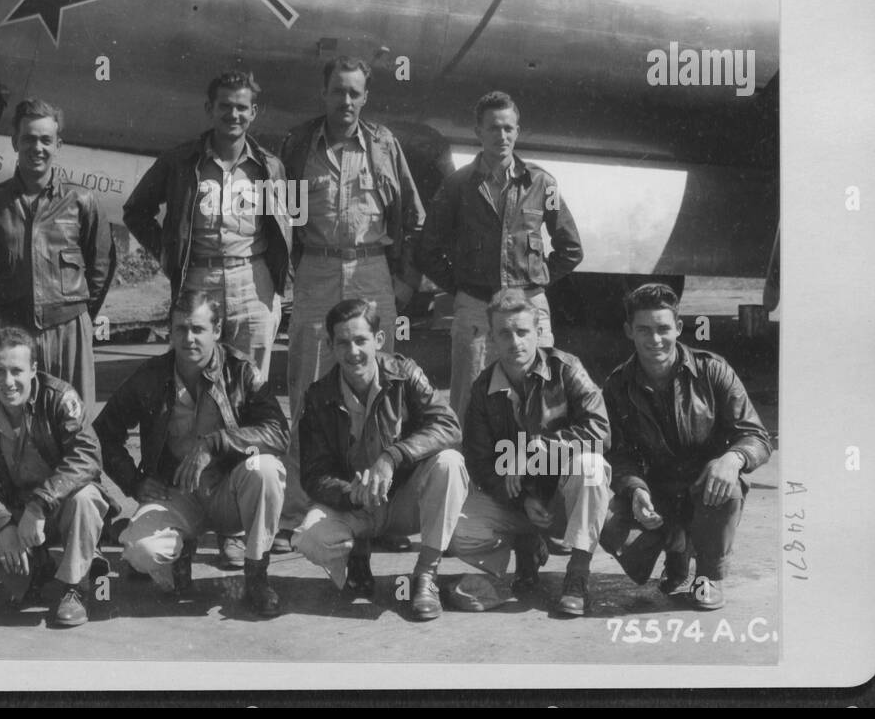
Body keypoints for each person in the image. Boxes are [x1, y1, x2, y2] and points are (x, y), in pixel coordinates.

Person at [121, 71, 292, 569]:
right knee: (195, 391)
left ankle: (237, 527)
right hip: (198, 281)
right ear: (209, 108)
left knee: (247, 395)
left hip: (251, 279)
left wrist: (280, 280)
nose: (233, 115)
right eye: (224, 106)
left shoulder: (270, 166)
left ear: (253, 113)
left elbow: (285, 226)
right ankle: (189, 505)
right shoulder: (180, 160)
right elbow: (136, 212)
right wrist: (172, 257)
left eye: (242, 107)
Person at [277, 57, 426, 551]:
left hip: (371, 268)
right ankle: (296, 512)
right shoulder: (300, 146)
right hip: (318, 270)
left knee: (378, 389)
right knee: (307, 391)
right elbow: (282, 220)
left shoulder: (383, 145)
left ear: (366, 97)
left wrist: (404, 285)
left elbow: (412, 214)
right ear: (324, 94)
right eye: (338, 92)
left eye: (354, 93)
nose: (346, 101)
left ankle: (380, 510)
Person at [92, 290, 289, 617]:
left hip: (229, 492)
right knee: (141, 552)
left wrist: (215, 443)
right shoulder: (151, 376)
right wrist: (135, 482)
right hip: (176, 494)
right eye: (180, 329)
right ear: (170, 332)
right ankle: (179, 555)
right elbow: (102, 434)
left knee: (265, 470)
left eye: (198, 329)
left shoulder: (241, 371)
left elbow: (278, 433)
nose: (189, 338)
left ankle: (256, 576)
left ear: (216, 329)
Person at [599, 283, 774, 611]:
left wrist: (734, 458)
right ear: (628, 332)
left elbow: (757, 436)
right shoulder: (616, 386)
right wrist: (635, 490)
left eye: (663, 329)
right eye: (644, 330)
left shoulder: (712, 371)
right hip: (656, 493)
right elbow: (615, 454)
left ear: (678, 328)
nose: (655, 340)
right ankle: (677, 545)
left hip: (704, 490)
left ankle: (708, 575)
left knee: (727, 482)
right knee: (603, 517)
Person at [295, 298, 469, 621]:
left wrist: (393, 456)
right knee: (309, 537)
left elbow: (448, 425)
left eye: (361, 340)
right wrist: (349, 494)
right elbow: (313, 474)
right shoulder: (318, 396)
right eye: (343, 343)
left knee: (449, 463)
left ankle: (425, 576)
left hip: (404, 501)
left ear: (378, 340)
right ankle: (357, 557)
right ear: (330, 346)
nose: (353, 352)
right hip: (357, 504)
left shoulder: (405, 374)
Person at [416, 90, 583, 422]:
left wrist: (535, 282)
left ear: (518, 131)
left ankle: (537, 472)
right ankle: (468, 471)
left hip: (530, 308)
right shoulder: (457, 186)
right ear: (478, 132)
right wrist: (462, 288)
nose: (502, 136)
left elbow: (571, 249)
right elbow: (427, 250)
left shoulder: (542, 184)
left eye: (508, 128)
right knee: (466, 402)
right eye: (493, 128)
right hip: (475, 311)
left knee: (541, 402)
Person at [450, 289, 611, 616]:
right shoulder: (483, 388)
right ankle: (524, 547)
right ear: (492, 337)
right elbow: (479, 463)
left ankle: (577, 575)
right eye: (504, 333)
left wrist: (539, 446)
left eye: (523, 332)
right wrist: (521, 500)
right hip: (522, 503)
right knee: (457, 530)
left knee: (592, 465)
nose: (515, 342)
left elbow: (600, 430)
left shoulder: (567, 369)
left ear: (538, 333)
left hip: (565, 501)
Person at [0, 99, 116, 410]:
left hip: (68, 331)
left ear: (59, 144)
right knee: (15, 423)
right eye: (29, 138)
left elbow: (101, 267)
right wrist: (2, 317)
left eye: (46, 140)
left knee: (74, 422)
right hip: (13, 331)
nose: (37, 147)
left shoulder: (82, 201)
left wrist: (79, 318)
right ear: (15, 142)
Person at [0, 327, 111, 628]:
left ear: (34, 370)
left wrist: (39, 505)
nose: (8, 381)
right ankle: (34, 576)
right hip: (16, 513)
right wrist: (2, 525)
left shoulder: (59, 397)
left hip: (57, 508)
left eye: (17, 370)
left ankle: (74, 587)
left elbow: (87, 456)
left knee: (86, 497)